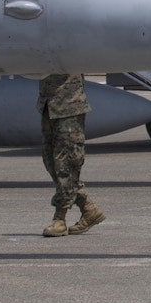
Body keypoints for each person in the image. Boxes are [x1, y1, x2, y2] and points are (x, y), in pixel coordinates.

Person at [37, 73, 105, 236]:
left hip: (69, 105)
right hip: (48, 103)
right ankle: (89, 208)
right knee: (50, 162)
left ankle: (59, 219)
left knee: (65, 164)